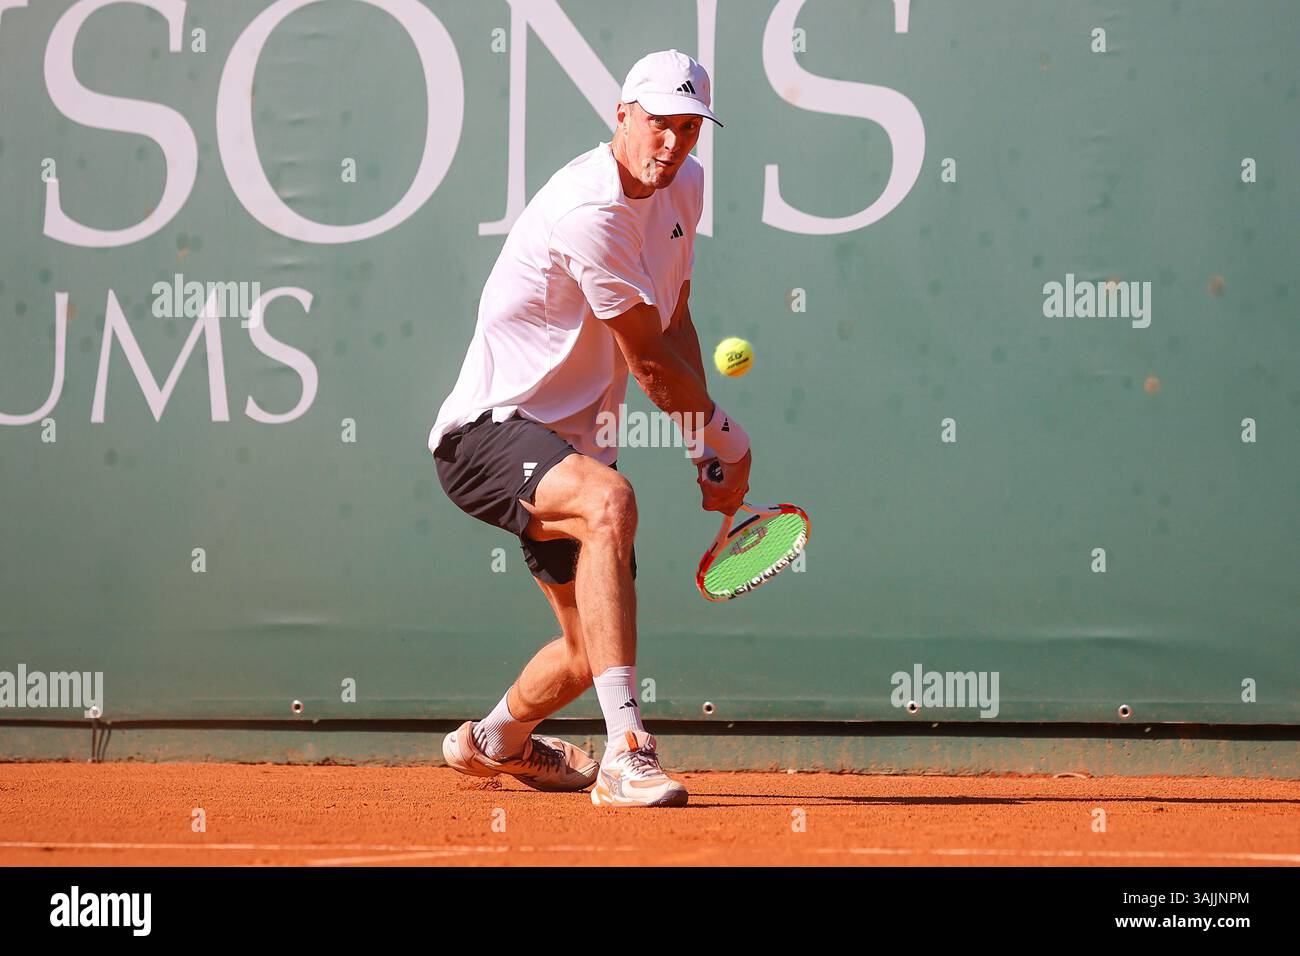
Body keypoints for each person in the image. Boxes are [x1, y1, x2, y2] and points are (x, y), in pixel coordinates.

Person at [429, 50, 751, 808]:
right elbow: (647, 364)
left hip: (570, 446)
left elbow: (674, 320)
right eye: (659, 125)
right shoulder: (591, 210)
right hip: (489, 430)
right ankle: (626, 754)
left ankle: (492, 742)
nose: (672, 144)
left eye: (689, 128)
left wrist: (701, 437)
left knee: (584, 653)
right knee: (611, 502)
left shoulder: (686, 189)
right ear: (622, 116)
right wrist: (729, 437)